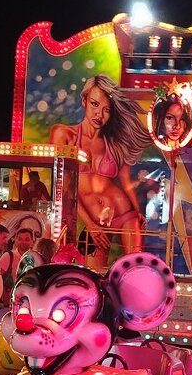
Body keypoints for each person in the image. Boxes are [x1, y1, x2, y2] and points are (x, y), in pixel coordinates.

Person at [48, 75, 151, 270]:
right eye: (95, 104)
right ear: (84, 100)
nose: (99, 114)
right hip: (94, 220)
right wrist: (90, 224)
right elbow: (62, 187)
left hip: (124, 213)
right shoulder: (64, 134)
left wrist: (137, 210)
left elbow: (125, 180)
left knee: (136, 271)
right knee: (93, 275)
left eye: (106, 110)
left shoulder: (113, 142)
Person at [0, 227, 37, 298]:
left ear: (32, 241)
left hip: (31, 298)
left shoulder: (36, 258)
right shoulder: (8, 256)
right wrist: (5, 297)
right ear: (15, 240)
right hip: (11, 299)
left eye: (27, 239)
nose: (23, 242)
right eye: (20, 239)